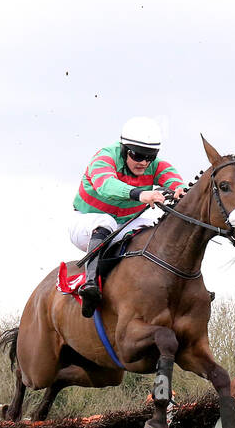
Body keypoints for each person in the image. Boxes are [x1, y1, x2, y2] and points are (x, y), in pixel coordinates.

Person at [70, 116, 187, 318]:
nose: (144, 162)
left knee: (152, 228)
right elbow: (106, 185)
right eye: (138, 155)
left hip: (125, 225)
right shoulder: (104, 158)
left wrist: (179, 190)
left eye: (150, 157)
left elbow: (172, 176)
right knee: (105, 222)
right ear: (124, 149)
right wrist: (141, 194)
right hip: (87, 222)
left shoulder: (153, 164)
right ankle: (90, 284)